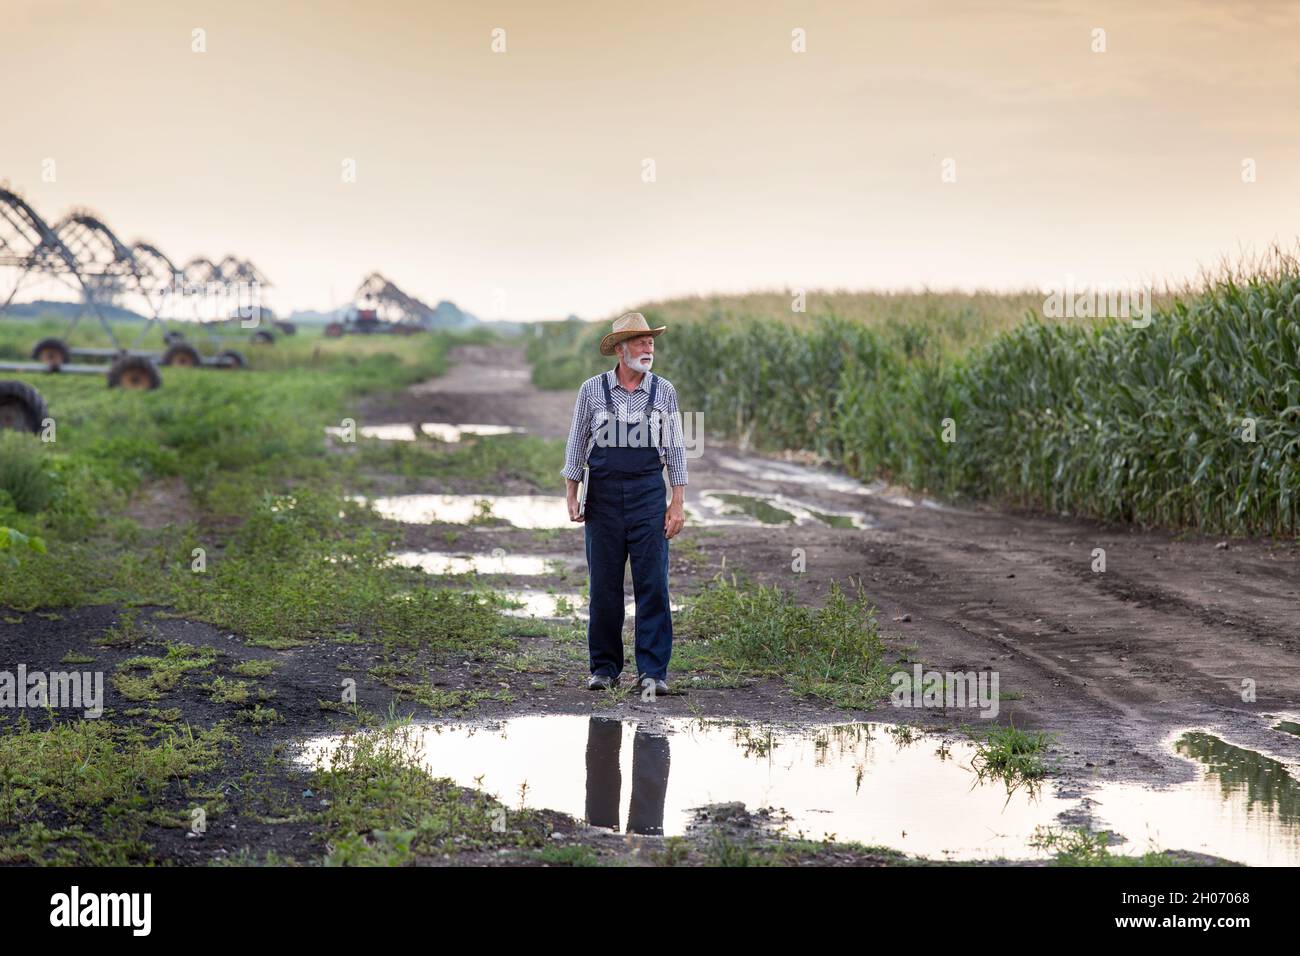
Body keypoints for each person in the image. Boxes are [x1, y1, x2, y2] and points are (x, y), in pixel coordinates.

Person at [562, 312, 687, 696]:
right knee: (604, 587)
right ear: (620, 349)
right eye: (640, 341)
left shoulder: (663, 391)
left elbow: (675, 448)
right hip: (602, 498)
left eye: (651, 341)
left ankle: (652, 673)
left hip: (648, 495)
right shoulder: (592, 390)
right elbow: (577, 441)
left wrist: (676, 501)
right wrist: (572, 490)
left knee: (653, 584)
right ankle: (604, 668)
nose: (648, 347)